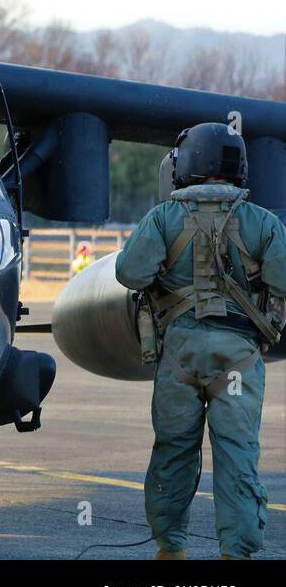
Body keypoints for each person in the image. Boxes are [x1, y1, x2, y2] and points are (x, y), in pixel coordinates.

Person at [116, 122, 286, 560]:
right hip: (237, 361)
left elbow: (130, 273)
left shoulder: (162, 218)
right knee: (237, 453)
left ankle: (170, 549)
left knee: (173, 451)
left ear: (186, 164)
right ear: (238, 167)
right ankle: (237, 553)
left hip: (180, 357)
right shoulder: (262, 222)